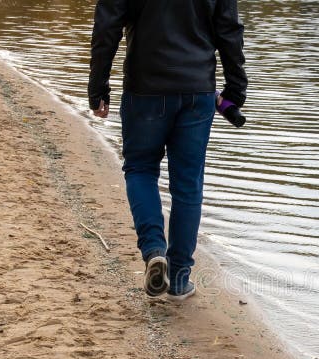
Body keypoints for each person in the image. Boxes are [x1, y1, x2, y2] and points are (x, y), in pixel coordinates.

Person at [88, 0, 247, 301]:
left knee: (140, 169)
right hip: (197, 91)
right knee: (187, 184)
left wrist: (98, 87)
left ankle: (153, 251)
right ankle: (178, 279)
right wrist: (236, 88)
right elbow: (229, 30)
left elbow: (106, 27)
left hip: (144, 91)